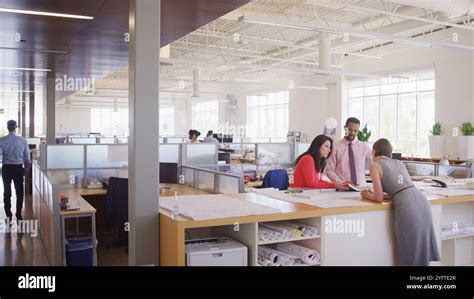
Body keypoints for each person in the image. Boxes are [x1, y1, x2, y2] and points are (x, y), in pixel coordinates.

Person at [360, 138, 440, 266]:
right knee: (419, 251)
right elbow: (398, 191)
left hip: (407, 208)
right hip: (421, 201)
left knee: (408, 250)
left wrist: (366, 194)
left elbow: (378, 198)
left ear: (373, 151)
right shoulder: (399, 163)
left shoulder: (375, 165)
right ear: (389, 153)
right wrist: (378, 195)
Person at [326, 117, 372, 186]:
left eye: (355, 131)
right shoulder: (335, 147)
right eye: (350, 130)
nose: (352, 133)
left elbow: (374, 164)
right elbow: (329, 170)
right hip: (342, 188)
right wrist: (340, 183)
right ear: (345, 128)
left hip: (361, 189)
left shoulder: (364, 147)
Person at [0, 120, 30, 223]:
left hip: (6, 169)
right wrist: (25, 169)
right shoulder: (23, 140)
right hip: (18, 168)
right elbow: (27, 157)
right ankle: (18, 214)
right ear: (16, 127)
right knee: (19, 192)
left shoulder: (2, 140)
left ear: (7, 127)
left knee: (7, 192)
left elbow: (0, 156)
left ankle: (8, 215)